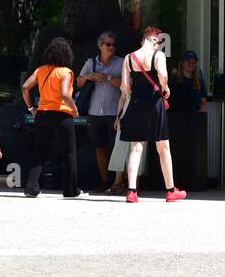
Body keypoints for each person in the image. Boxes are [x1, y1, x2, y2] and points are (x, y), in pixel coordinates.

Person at [118, 25, 187, 203]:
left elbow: (125, 87)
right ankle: (171, 190)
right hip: (155, 103)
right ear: (154, 40)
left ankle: (132, 191)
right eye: (158, 41)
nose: (158, 45)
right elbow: (163, 75)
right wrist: (165, 87)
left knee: (136, 147)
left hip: (136, 103)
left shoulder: (128, 58)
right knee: (163, 147)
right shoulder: (159, 55)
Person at [21, 37, 81, 198]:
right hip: (61, 114)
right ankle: (70, 190)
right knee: (69, 152)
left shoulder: (40, 70)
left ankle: (31, 187)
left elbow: (25, 87)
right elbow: (64, 94)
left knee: (39, 151)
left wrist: (30, 108)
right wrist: (74, 109)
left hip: (42, 113)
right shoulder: (66, 72)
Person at [77, 31, 125, 193]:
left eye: (113, 45)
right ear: (100, 45)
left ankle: (120, 182)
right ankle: (105, 181)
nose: (111, 47)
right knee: (100, 148)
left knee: (117, 148)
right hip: (95, 112)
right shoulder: (91, 62)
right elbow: (78, 83)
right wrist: (88, 76)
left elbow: (127, 85)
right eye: (108, 44)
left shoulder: (121, 63)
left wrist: (109, 78)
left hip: (114, 112)